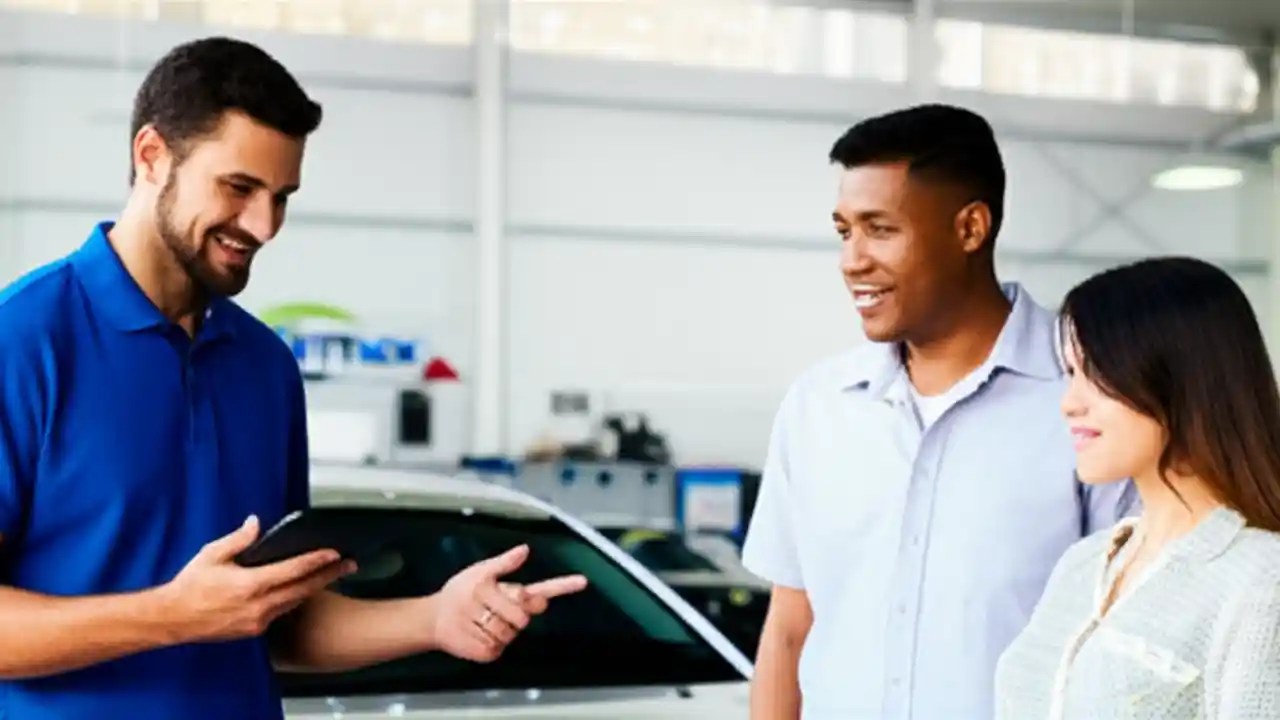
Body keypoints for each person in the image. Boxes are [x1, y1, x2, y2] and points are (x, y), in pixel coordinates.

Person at [0, 37, 586, 719]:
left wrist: (434, 619)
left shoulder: (264, 367)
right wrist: (170, 616)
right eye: (239, 187)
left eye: (282, 197)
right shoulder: (23, 341)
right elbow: (196, 615)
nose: (264, 225)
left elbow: (273, 618)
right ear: (152, 156)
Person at [741, 103, 1138, 720]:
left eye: (880, 228)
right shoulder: (817, 407)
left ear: (971, 228)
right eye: (845, 231)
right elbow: (790, 628)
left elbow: (1126, 640)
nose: (852, 260)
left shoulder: (1094, 399)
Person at [994, 257, 1280, 719]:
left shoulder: (1260, 581)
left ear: (1181, 379)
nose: (1070, 403)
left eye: (1098, 373)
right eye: (1070, 373)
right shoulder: (1081, 565)